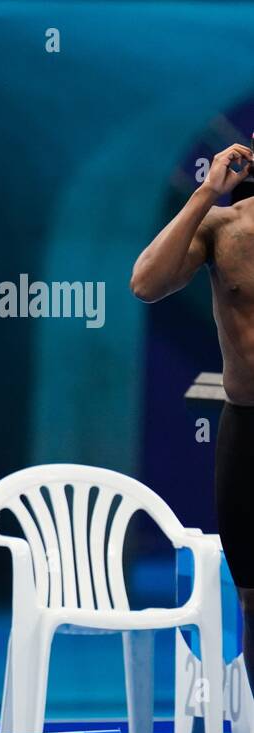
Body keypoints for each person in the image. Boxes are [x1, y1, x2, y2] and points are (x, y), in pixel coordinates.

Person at [131, 140, 254, 689]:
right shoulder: (223, 227)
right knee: (252, 597)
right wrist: (205, 193)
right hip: (247, 429)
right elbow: (146, 283)